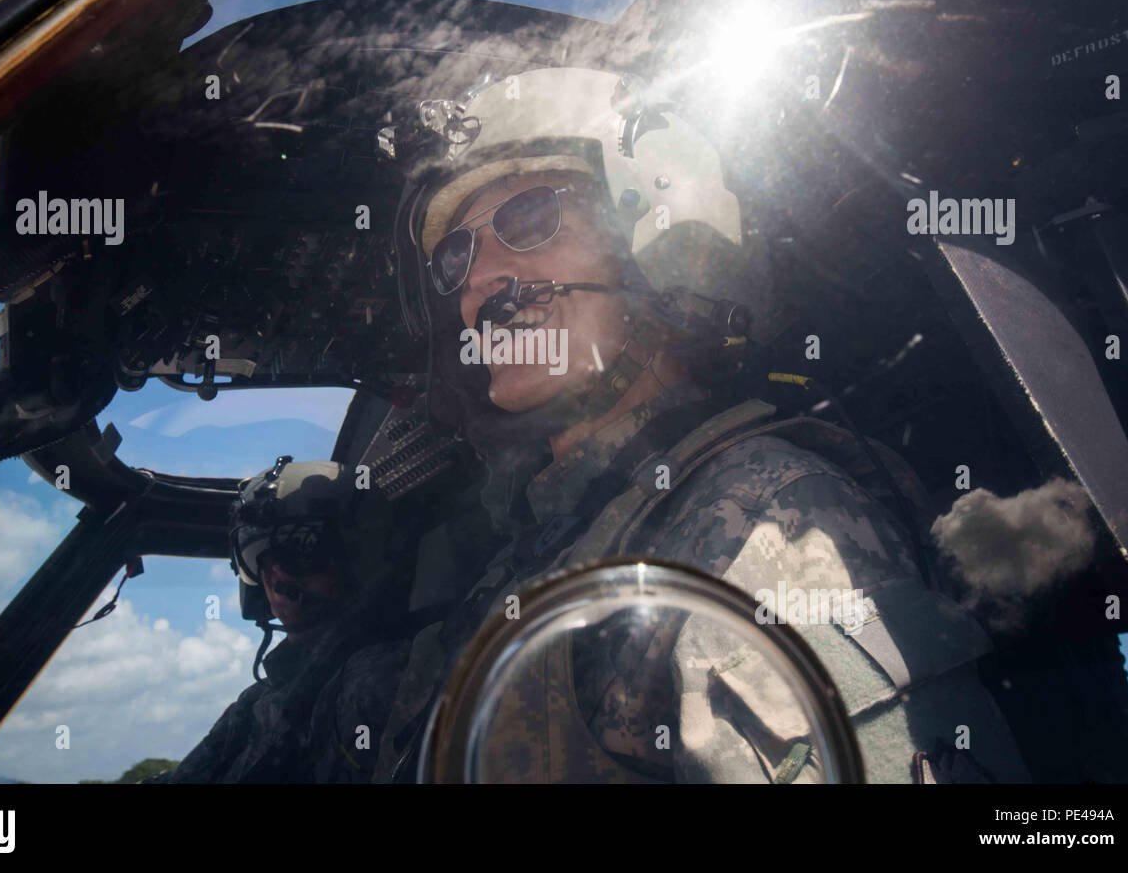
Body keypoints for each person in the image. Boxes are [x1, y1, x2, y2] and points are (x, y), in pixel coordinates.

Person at [351, 65, 1031, 783]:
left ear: (656, 248)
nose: (480, 281)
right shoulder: (542, 539)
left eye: (527, 221)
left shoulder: (768, 521)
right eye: (456, 256)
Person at [149, 458, 410, 783]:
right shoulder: (257, 702)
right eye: (256, 558)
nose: (277, 577)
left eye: (300, 551)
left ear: (361, 556)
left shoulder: (379, 679)